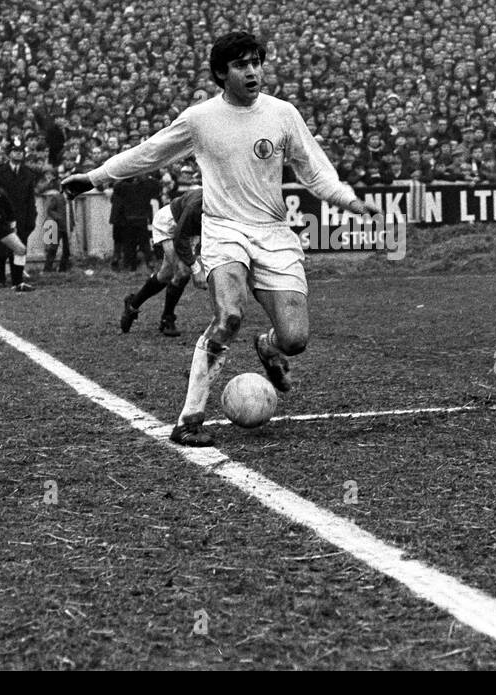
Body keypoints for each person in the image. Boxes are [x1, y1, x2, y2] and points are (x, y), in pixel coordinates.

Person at [63, 31, 381, 446]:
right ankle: (189, 420)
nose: (253, 72)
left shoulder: (283, 114)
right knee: (228, 315)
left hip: (273, 233)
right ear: (220, 73)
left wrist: (349, 200)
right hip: (224, 230)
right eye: (241, 65)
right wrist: (94, 178)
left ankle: (268, 347)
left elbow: (314, 170)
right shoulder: (200, 119)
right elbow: (150, 152)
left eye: (257, 62)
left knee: (295, 340)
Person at [119, 186, 203, 337]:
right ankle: (167, 319)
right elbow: (179, 236)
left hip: (186, 230)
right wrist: (196, 268)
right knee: (183, 271)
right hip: (170, 224)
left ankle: (132, 304)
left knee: (165, 275)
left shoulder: (226, 200)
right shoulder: (198, 202)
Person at [0, 140, 38, 287]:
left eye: (21, 150)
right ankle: (0, 280)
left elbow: (30, 199)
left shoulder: (29, 174)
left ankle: (18, 279)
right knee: (0, 249)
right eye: (15, 150)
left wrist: (31, 218)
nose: (18, 153)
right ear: (9, 153)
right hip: (2, 216)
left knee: (19, 248)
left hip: (22, 216)